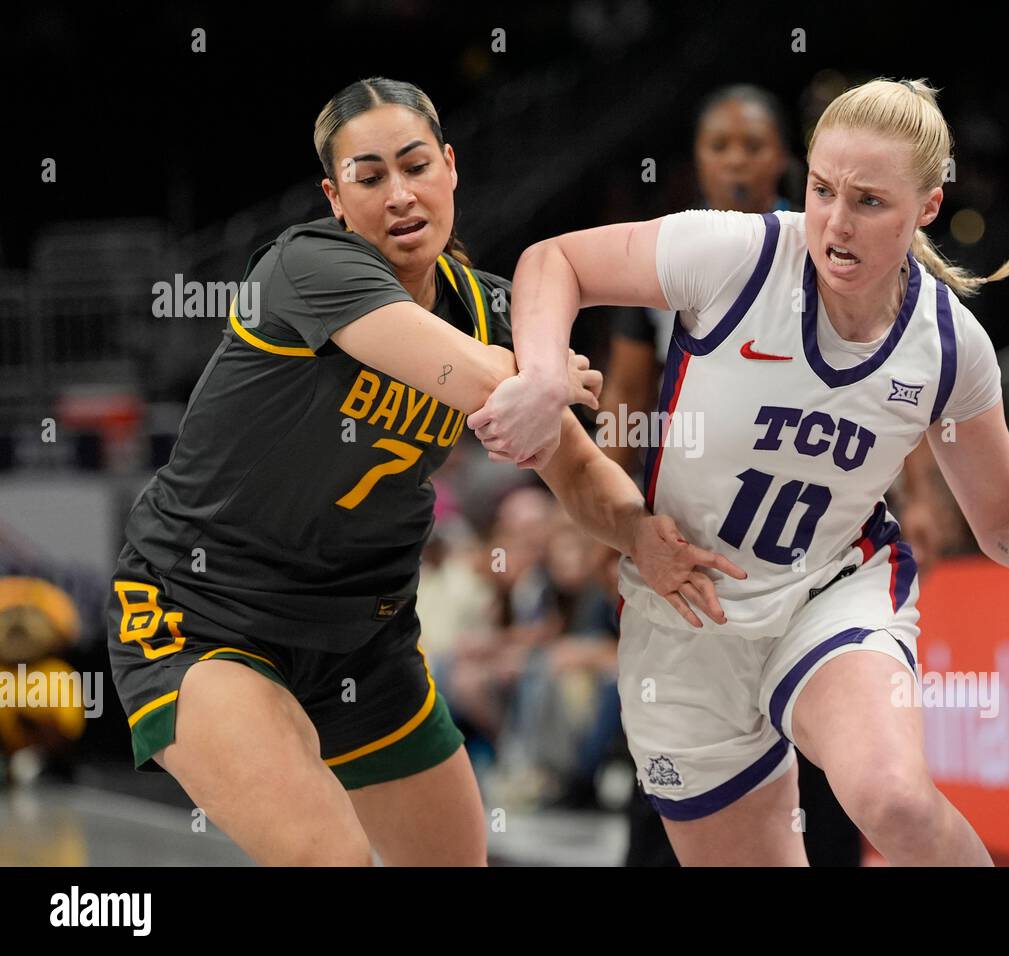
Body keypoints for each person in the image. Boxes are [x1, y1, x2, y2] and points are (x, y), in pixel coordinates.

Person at [468, 77, 1009, 865]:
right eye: (822, 190)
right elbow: (552, 260)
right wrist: (538, 376)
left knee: (894, 800)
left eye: (869, 201)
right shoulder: (736, 253)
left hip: (829, 590)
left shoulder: (950, 346)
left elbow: (1007, 522)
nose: (835, 223)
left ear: (928, 207)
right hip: (686, 612)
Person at [106, 77, 740, 866]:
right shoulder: (305, 266)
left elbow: (578, 473)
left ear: (449, 168)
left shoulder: (495, 310)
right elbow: (472, 379)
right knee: (326, 857)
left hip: (363, 640)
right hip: (204, 616)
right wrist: (539, 375)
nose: (399, 194)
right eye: (370, 178)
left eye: (415, 167)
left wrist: (640, 533)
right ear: (336, 199)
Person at [600, 83, 861, 865]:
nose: (739, 161)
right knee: (679, 741)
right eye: (721, 146)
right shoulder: (669, 257)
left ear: (784, 157)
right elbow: (626, 394)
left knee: (819, 743)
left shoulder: (834, 253)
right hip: (690, 537)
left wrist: (915, 494)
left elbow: (883, 386)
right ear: (700, 162)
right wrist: (599, 507)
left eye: (754, 145)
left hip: (811, 533)